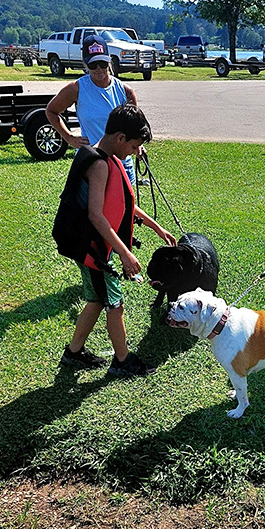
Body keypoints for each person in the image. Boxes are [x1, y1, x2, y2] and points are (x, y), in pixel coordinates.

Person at [59, 104, 177, 378]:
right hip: (93, 250)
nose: (136, 153)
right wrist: (125, 254)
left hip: (90, 247)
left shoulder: (106, 157)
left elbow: (123, 203)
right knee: (115, 303)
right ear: (121, 137)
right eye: (135, 146)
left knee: (96, 300)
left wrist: (156, 227)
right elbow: (97, 216)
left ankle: (73, 353)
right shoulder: (100, 164)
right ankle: (122, 361)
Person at [46, 33, 138, 184]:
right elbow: (51, 111)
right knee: (95, 207)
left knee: (125, 207)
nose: (99, 69)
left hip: (122, 165)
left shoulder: (125, 91)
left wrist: (137, 147)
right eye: (93, 64)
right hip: (92, 163)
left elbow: (133, 128)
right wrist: (69, 138)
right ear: (85, 64)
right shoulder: (76, 88)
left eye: (102, 63)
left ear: (109, 61)